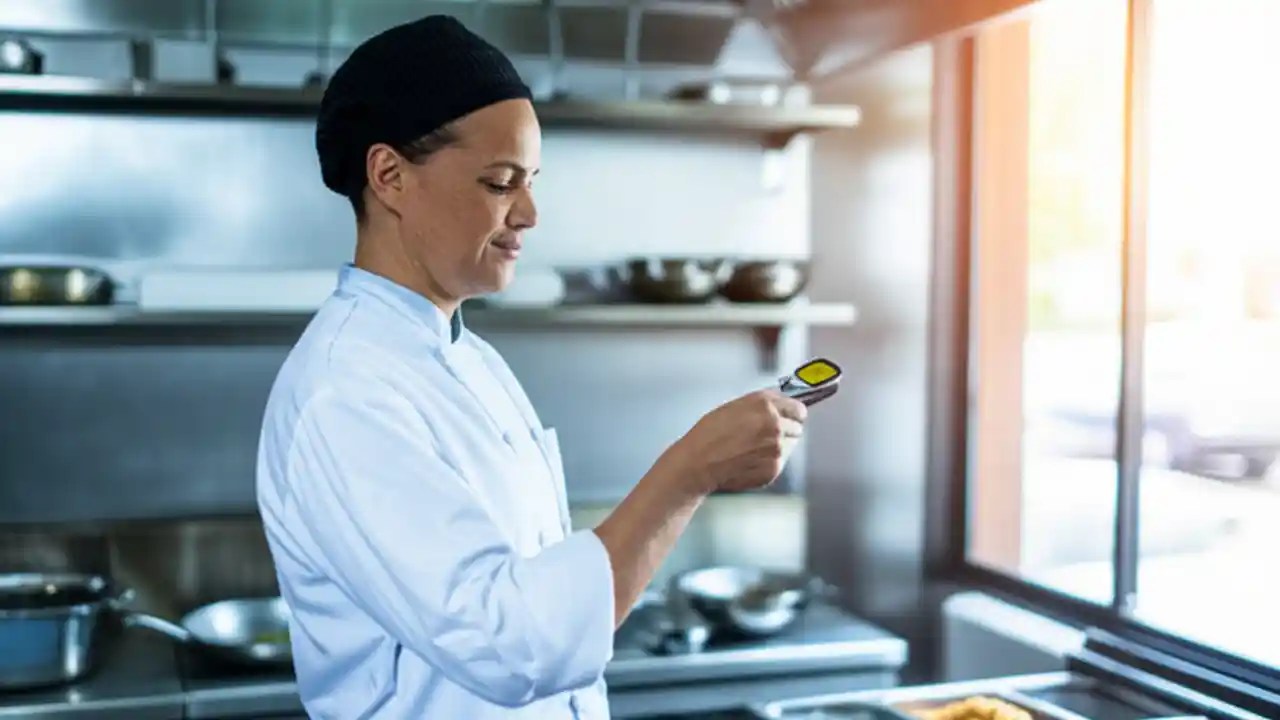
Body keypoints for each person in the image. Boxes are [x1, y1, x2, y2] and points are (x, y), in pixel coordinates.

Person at [255, 15, 808, 720]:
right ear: (389, 175)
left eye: (531, 181)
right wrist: (691, 469)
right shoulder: (346, 392)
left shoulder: (470, 359)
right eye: (499, 182)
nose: (530, 213)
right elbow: (511, 644)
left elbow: (537, 591)